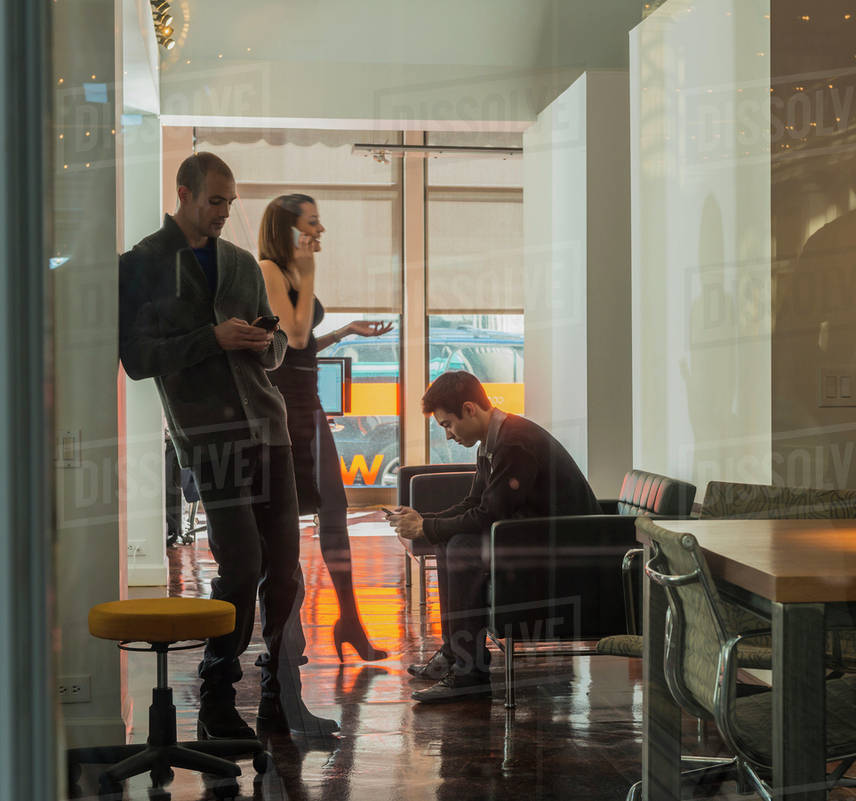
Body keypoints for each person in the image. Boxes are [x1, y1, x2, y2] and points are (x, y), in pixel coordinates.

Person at [118, 152, 311, 739]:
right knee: (242, 565)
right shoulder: (141, 265)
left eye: (230, 201)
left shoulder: (240, 263)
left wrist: (260, 344)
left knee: (286, 569)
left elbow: (277, 351)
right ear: (184, 193)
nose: (226, 212)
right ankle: (216, 696)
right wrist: (212, 338)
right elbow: (138, 360)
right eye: (215, 201)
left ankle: (281, 696)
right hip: (209, 438)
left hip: (268, 429)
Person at [387, 371, 602, 702]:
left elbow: (490, 515)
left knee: (462, 548)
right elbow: (477, 502)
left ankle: (468, 673)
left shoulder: (514, 443)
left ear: (470, 409)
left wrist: (426, 528)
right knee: (451, 542)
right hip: (540, 535)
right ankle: (456, 653)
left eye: (447, 424)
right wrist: (427, 522)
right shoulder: (495, 438)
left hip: (569, 546)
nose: (447, 435)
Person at [258, 193, 393, 663]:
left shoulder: (290, 270)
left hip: (307, 403)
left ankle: (350, 620)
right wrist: (308, 269)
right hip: (284, 410)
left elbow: (304, 342)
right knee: (287, 525)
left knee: (335, 514)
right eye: (311, 223)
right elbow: (293, 336)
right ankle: (284, 636)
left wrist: (344, 331)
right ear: (287, 229)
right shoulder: (271, 270)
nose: (319, 232)